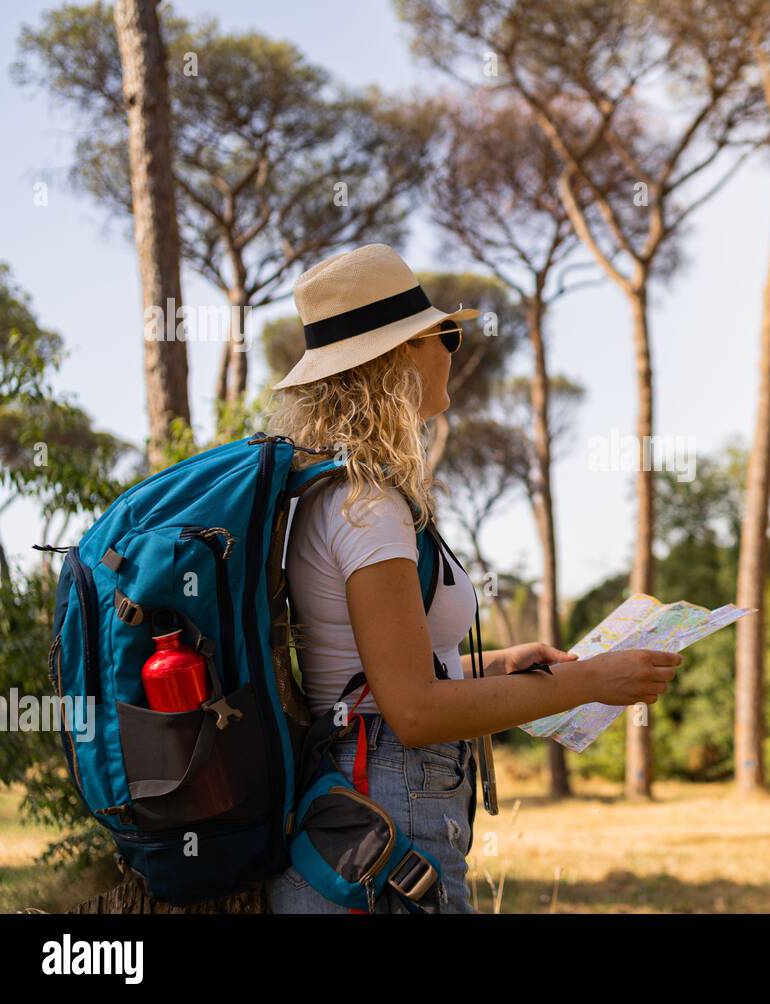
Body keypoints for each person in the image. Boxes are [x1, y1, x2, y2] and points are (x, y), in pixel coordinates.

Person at [261, 244, 680, 913]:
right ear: (398, 358)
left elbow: (378, 678)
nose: (453, 350)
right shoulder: (367, 509)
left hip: (366, 812)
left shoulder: (336, 493)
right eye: (444, 334)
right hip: (388, 816)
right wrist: (594, 682)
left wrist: (508, 664)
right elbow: (415, 711)